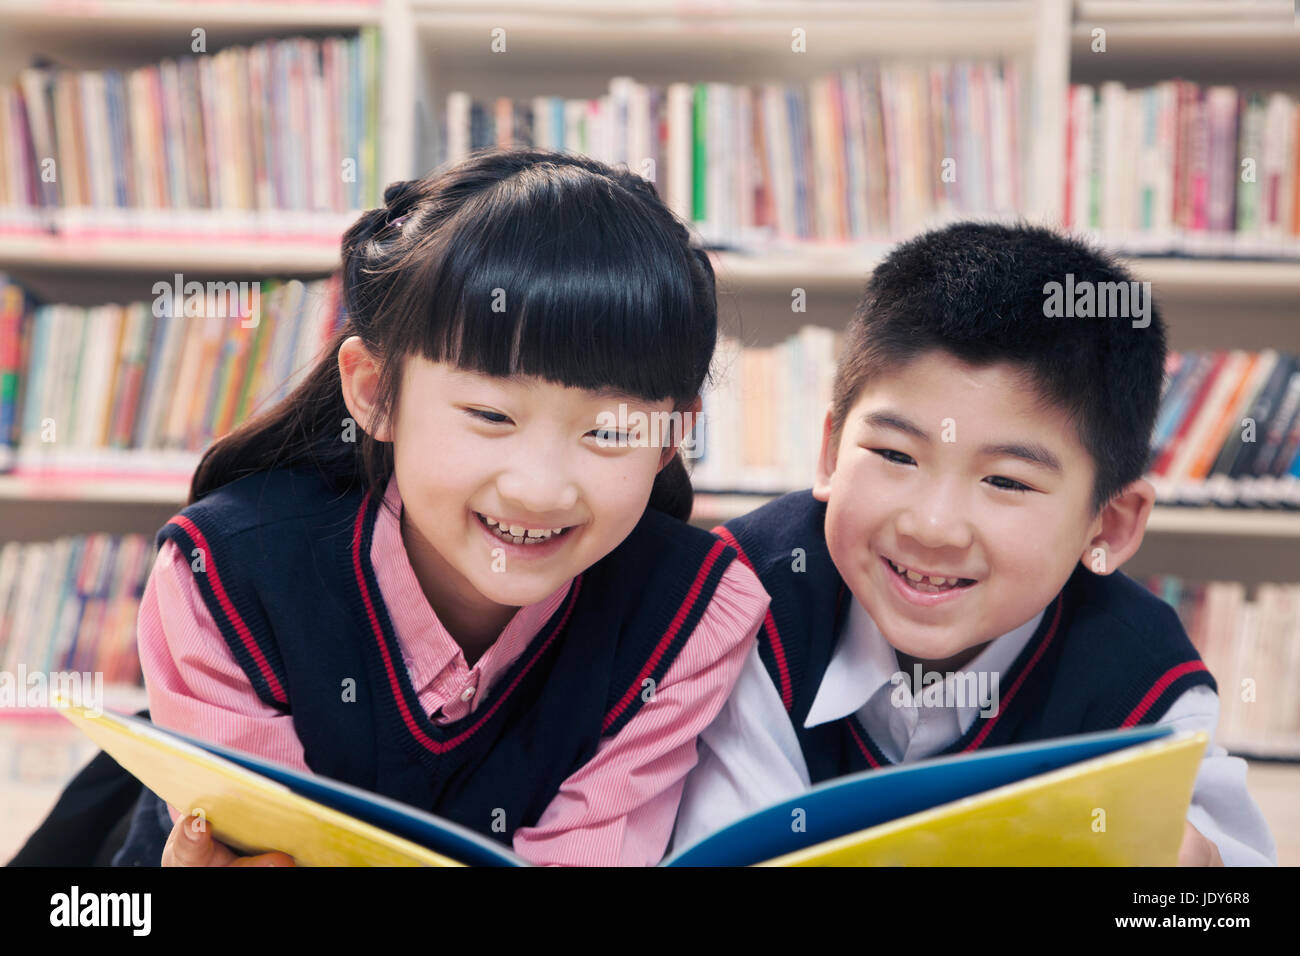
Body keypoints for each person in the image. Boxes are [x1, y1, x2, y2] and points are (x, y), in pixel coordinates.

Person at [102, 147, 767, 867]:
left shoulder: (693, 618)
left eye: (609, 431)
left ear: (674, 436)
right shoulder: (225, 573)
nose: (537, 489)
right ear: (373, 390)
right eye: (489, 414)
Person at [670, 221, 1276, 866]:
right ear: (829, 452)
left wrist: (1189, 863)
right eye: (895, 454)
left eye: (1006, 481)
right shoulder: (744, 598)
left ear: (1110, 525)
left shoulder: (1143, 674)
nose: (933, 527)